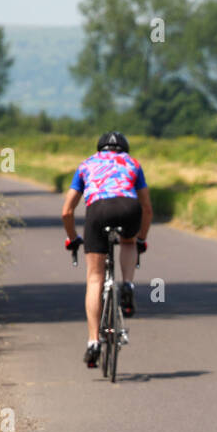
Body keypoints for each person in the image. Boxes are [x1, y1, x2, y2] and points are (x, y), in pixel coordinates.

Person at [61, 132, 153, 367]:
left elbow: (67, 211)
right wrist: (141, 237)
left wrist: (73, 238)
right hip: (129, 206)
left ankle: (93, 341)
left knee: (94, 279)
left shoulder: (86, 164)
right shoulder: (133, 163)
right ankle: (128, 283)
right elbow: (147, 207)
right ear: (125, 148)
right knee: (128, 242)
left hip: (98, 210)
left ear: (99, 148)